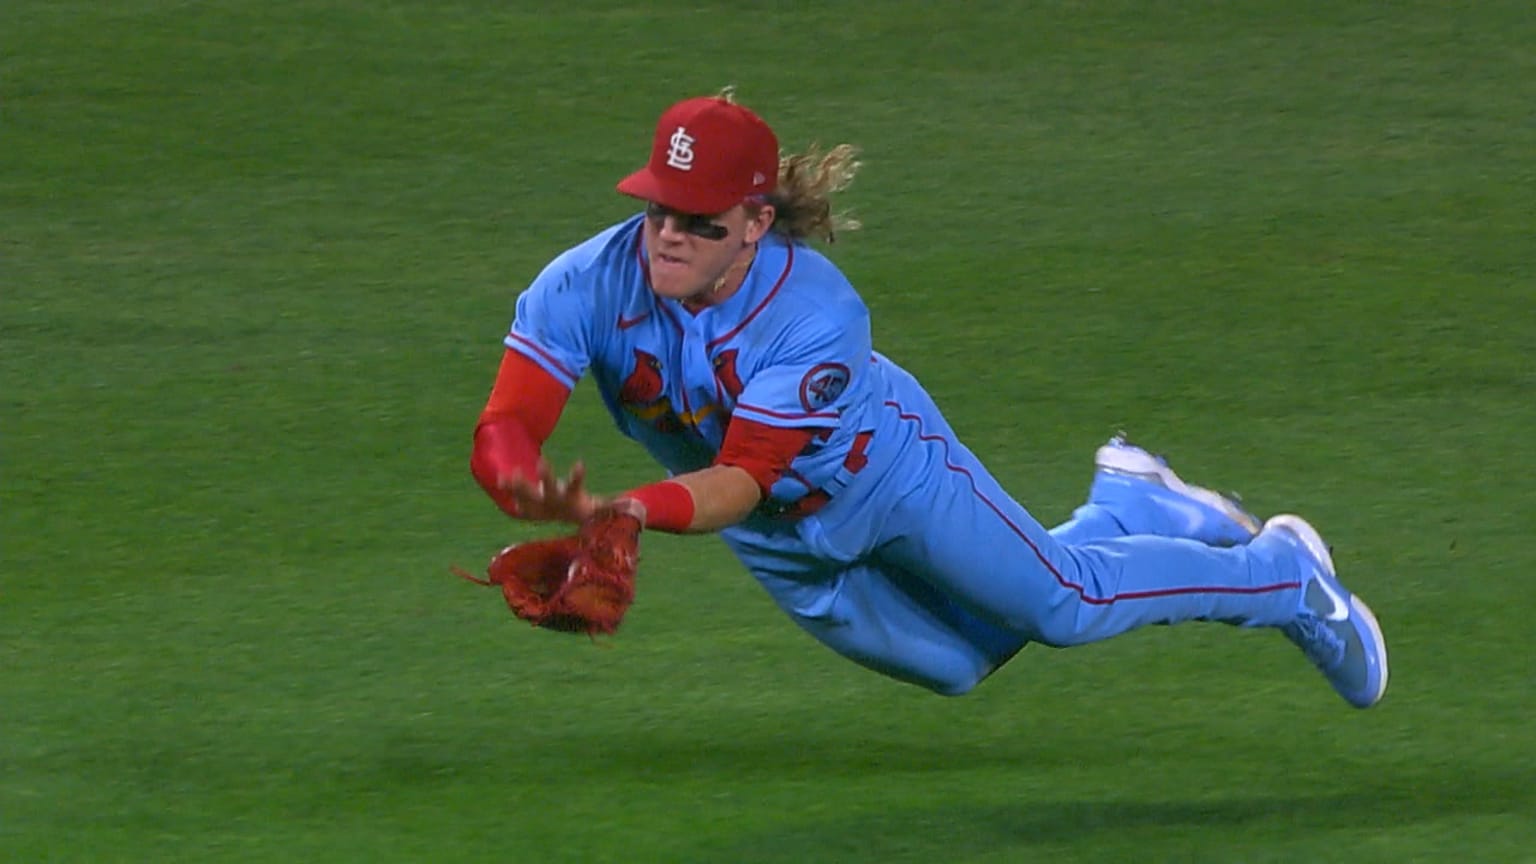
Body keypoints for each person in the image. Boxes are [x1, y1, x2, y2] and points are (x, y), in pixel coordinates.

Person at [468, 89, 1389, 708]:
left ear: (754, 224)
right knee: (958, 666)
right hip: (774, 539)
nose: (667, 237)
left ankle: (1282, 579)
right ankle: (1130, 506)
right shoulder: (585, 282)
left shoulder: (814, 312)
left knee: (1063, 607)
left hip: (891, 478)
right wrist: (519, 483)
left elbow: (744, 476)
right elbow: (507, 421)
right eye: (658, 209)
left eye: (699, 222)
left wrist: (631, 509)